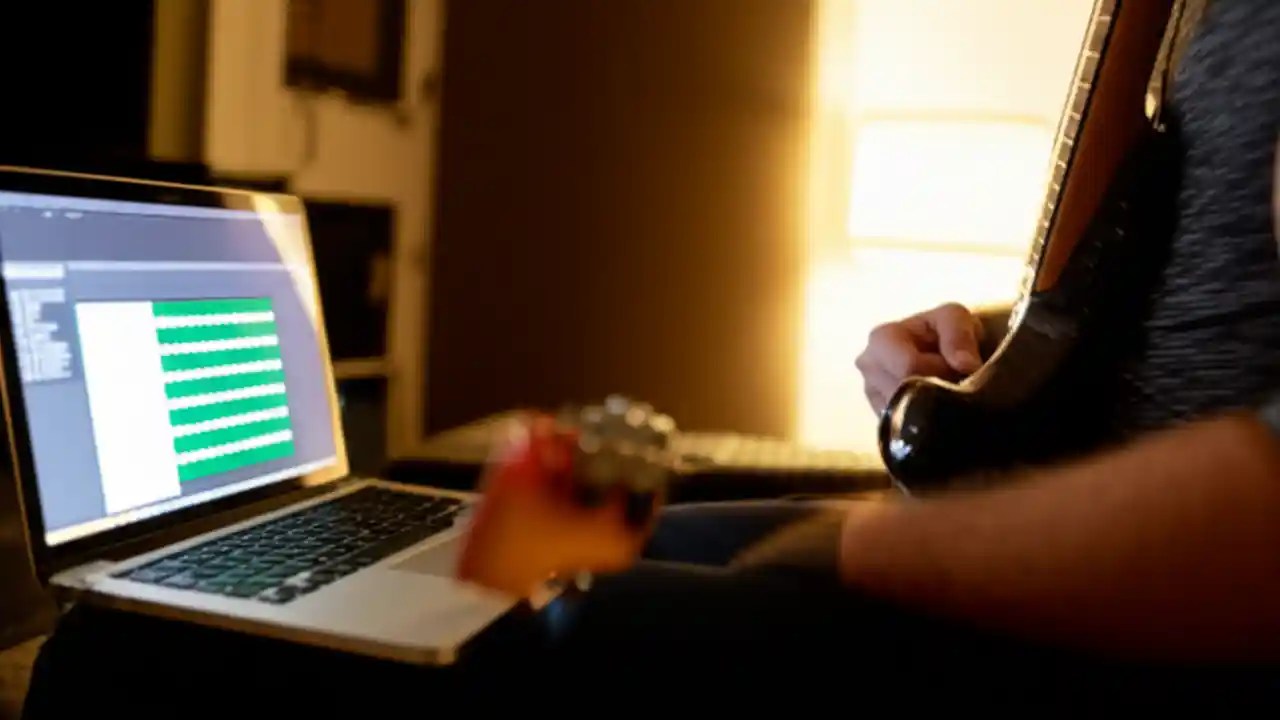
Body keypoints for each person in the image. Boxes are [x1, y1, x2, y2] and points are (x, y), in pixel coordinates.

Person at [23, 0, 1280, 714]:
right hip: (1060, 517)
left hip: (1135, 612)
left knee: (126, 662)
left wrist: (850, 544)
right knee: (464, 511)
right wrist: (996, 339)